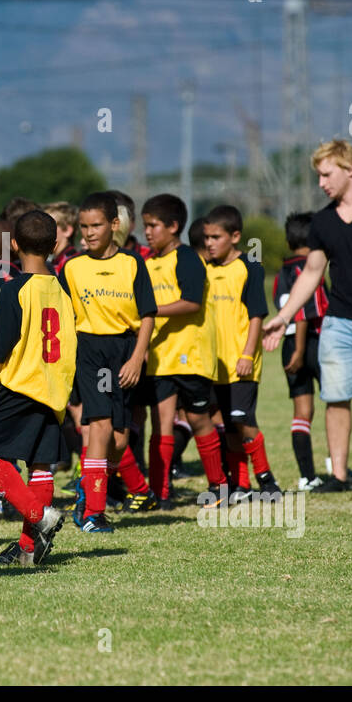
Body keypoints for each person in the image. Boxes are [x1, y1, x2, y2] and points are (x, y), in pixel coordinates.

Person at [262, 140, 352, 493]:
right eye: (318, 176)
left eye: (326, 174)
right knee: (335, 397)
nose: (321, 183)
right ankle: (339, 476)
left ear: (349, 169)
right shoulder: (323, 221)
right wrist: (283, 317)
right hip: (338, 323)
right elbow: (312, 273)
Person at [0, 210, 73, 567]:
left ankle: (38, 514)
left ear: (14, 245)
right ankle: (29, 549)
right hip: (54, 386)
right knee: (40, 464)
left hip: (22, 384)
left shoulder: (15, 289)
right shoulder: (63, 287)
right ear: (55, 245)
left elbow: (1, 347)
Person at [59, 192, 156, 532]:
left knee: (119, 438)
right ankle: (92, 514)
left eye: (96, 225)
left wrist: (137, 358)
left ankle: (88, 490)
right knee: (98, 426)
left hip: (124, 351)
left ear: (114, 225)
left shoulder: (132, 263)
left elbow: (147, 316)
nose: (88, 233)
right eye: (83, 227)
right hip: (91, 352)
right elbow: (62, 317)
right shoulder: (71, 267)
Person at [139, 193, 221, 509]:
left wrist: (150, 310)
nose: (148, 232)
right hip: (161, 358)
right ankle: (160, 493)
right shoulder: (148, 262)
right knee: (161, 424)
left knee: (200, 419)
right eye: (145, 225)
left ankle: (218, 486)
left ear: (174, 226)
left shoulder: (187, 258)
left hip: (191, 355)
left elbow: (192, 302)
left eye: (154, 225)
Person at [203, 204, 276, 501]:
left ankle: (266, 479)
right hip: (213, 364)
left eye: (216, 237)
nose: (209, 243)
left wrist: (247, 355)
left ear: (234, 236)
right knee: (229, 425)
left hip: (241, 362)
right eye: (207, 237)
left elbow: (258, 315)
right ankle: (240, 484)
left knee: (243, 420)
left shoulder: (250, 267)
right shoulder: (205, 269)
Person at [271, 212, 328, 490]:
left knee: (302, 410)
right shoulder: (309, 267)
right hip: (312, 342)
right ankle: (336, 467)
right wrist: (302, 350)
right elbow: (303, 312)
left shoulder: (281, 269)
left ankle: (307, 475)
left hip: (289, 343)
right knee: (335, 403)